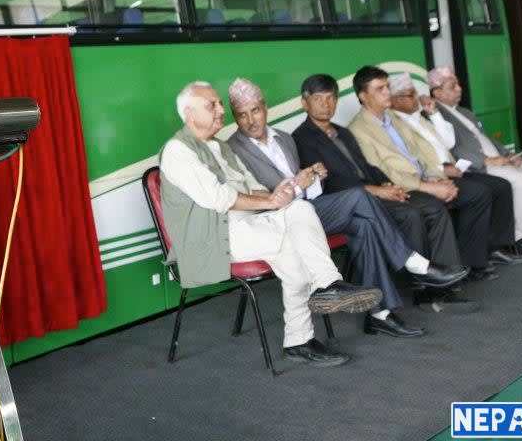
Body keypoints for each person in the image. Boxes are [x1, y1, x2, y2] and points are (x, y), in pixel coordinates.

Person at [160, 82, 383, 367]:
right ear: (190, 114)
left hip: (248, 226)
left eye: (219, 103)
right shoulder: (177, 150)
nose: (220, 110)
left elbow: (253, 187)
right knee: (297, 241)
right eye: (211, 105)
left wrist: (279, 194)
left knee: (299, 214)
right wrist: (270, 202)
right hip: (212, 238)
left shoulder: (220, 147)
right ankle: (316, 308)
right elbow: (219, 198)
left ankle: (319, 302)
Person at [225, 77, 467, 337]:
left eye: (255, 111)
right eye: (242, 115)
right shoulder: (233, 150)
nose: (250, 120)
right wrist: (298, 184)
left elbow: (305, 186)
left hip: (309, 209)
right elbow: (260, 197)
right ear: (235, 118)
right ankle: (414, 262)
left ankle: (380, 315)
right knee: (359, 198)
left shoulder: (283, 139)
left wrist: (314, 177)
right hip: (281, 220)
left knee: (364, 225)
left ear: (265, 108)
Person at [347, 66, 522, 276]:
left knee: (479, 193)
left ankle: (472, 261)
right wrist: (429, 187)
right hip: (404, 187)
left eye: (387, 87)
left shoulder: (393, 117)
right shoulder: (358, 129)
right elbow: (383, 172)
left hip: (426, 179)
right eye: (380, 89)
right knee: (435, 207)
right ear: (363, 96)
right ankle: (442, 275)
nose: (387, 92)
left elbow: (423, 152)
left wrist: (436, 177)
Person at [388, 72, 519, 265]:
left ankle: (495, 247)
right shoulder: (395, 123)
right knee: (479, 193)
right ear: (395, 100)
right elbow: (413, 159)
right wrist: (441, 170)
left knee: (501, 186)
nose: (417, 97)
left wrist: (434, 113)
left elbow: (449, 142)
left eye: (415, 92)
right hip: (432, 176)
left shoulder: (419, 116)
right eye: (410, 95)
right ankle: (471, 261)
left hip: (451, 169)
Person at [429, 65, 522, 253]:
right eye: (452, 86)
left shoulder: (464, 112)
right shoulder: (434, 116)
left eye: (458, 84)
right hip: (478, 167)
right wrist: (486, 161)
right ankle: (516, 237)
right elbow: (453, 149)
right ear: (437, 92)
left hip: (500, 160)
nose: (459, 88)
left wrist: (507, 153)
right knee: (518, 179)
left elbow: (486, 138)